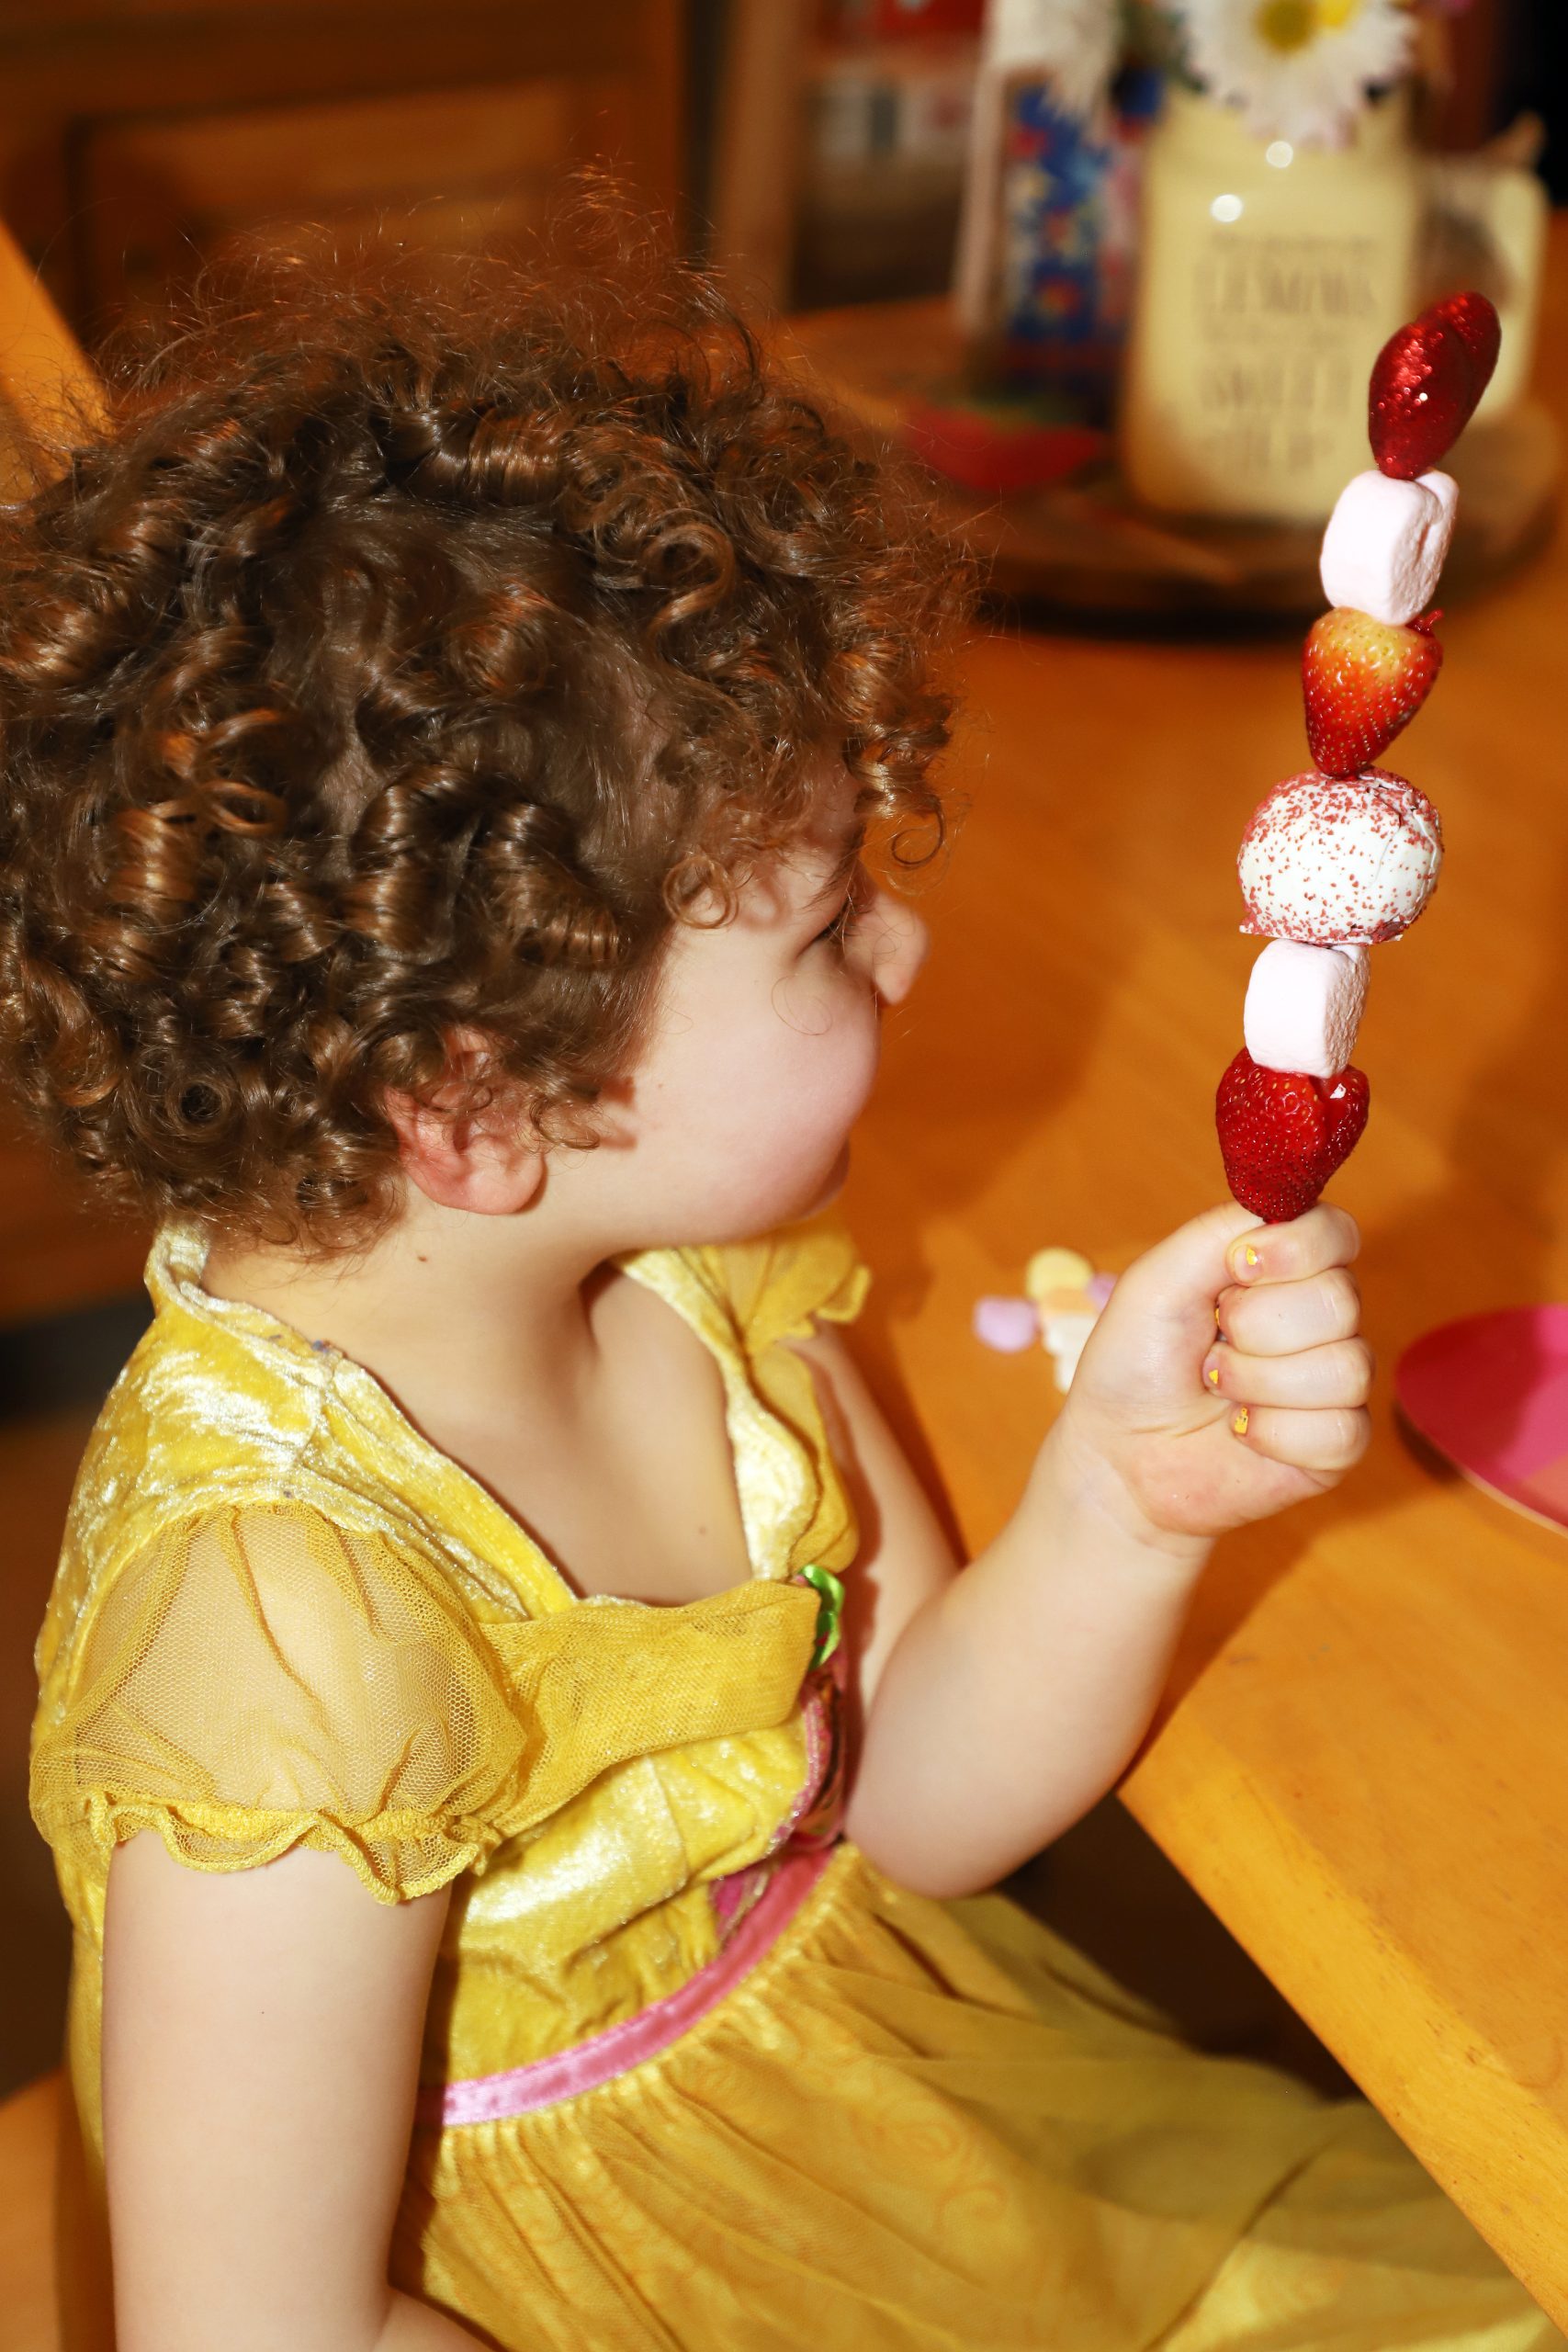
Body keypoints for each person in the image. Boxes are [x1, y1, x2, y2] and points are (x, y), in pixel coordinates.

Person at [7, 200, 1558, 2352]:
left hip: (908, 2153)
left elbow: (910, 1798)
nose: (901, 948)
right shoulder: (279, 1630)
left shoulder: (697, 1290)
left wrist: (1117, 1506)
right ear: (481, 1100)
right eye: (827, 926)